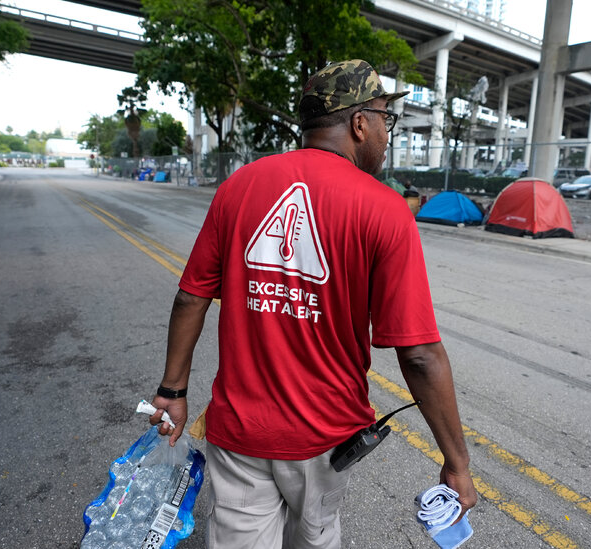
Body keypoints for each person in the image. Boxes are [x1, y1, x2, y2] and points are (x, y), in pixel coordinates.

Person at [148, 59, 477, 548]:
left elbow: (191, 296)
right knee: (315, 538)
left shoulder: (239, 186)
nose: (388, 132)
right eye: (387, 119)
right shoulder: (384, 208)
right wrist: (457, 462)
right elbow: (419, 354)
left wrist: (172, 389)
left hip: (240, 430)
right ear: (360, 123)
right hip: (322, 438)